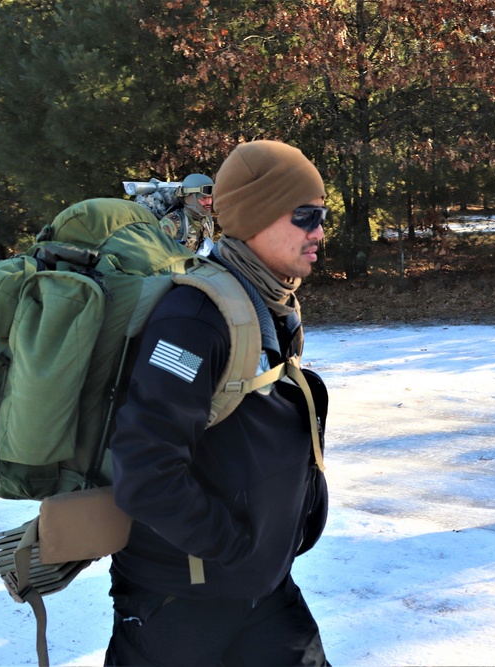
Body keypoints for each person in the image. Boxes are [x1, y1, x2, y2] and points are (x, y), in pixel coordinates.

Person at [104, 140, 330, 666]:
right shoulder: (193, 320)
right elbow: (145, 470)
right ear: (254, 216)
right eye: (305, 215)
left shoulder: (267, 302)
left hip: (262, 589)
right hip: (182, 604)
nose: (318, 230)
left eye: (322, 214)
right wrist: (234, 548)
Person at [159, 173, 216, 254]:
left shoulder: (207, 220)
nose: (209, 202)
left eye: (210, 198)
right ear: (190, 198)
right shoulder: (172, 222)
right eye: (203, 198)